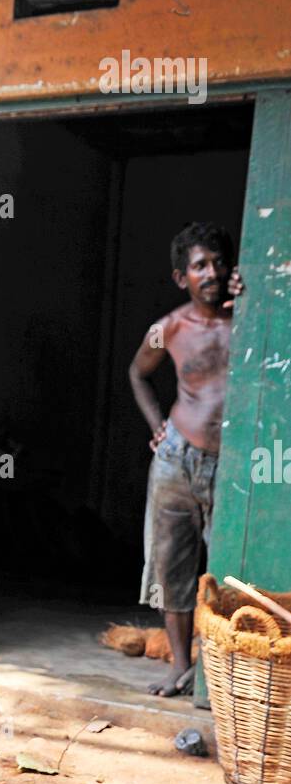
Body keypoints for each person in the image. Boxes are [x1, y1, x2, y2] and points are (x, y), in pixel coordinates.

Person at [129, 220, 244, 696]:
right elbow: (137, 374)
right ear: (183, 278)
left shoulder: (248, 319)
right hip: (177, 458)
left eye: (218, 262)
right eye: (200, 266)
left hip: (232, 464)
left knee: (230, 567)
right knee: (170, 563)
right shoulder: (169, 328)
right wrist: (158, 424)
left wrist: (254, 303)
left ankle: (222, 670)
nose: (211, 272)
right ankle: (181, 665)